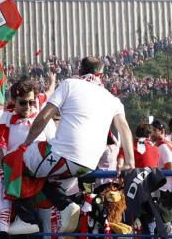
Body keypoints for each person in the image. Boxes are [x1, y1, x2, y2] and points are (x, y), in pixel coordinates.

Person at [20, 56, 134, 234]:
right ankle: (66, 206)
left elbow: (43, 117)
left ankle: (25, 219)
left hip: (63, 156)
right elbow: (125, 129)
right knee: (47, 179)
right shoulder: (113, 100)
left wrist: (26, 143)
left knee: (17, 162)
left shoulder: (69, 84)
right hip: (87, 166)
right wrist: (129, 162)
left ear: (80, 71)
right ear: (101, 74)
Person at [0, 79, 54, 235]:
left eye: (31, 102)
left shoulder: (43, 120)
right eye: (23, 103)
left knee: (41, 231)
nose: (28, 106)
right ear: (14, 101)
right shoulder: (5, 120)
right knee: (5, 231)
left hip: (40, 187)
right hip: (12, 187)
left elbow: (54, 149)